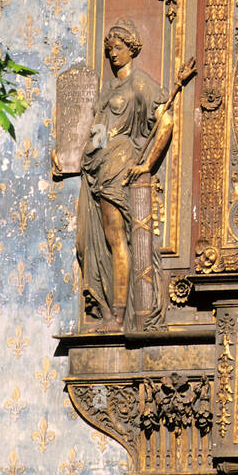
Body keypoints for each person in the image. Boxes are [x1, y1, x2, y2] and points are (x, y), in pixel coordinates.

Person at [76, 20, 171, 330]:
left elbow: (166, 123)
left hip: (120, 165)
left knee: (117, 238)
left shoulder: (140, 83)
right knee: (100, 240)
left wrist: (148, 164)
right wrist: (79, 156)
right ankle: (111, 309)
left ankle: (119, 315)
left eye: (119, 48)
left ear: (132, 50)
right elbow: (99, 132)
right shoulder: (108, 89)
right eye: (110, 49)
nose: (113, 53)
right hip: (100, 166)